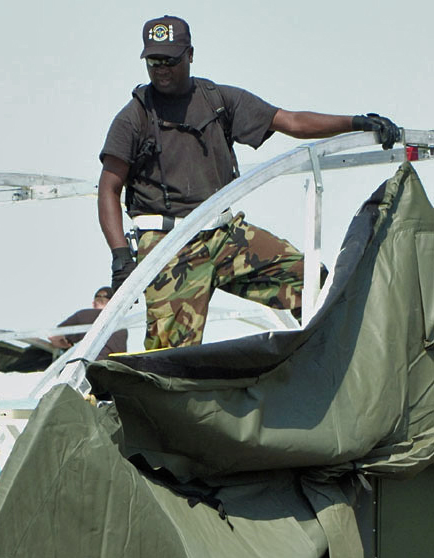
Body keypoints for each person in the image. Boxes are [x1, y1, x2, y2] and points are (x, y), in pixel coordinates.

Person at [98, 15, 400, 350]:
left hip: (224, 234)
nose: (162, 69)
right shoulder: (133, 118)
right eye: (154, 61)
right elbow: (108, 189)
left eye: (171, 60)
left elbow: (292, 121)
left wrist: (356, 123)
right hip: (169, 246)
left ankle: (339, 360)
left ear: (191, 55)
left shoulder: (218, 101)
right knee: (170, 356)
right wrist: (121, 257)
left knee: (311, 281)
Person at [49, 287, 129, 361]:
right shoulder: (122, 324)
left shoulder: (83, 315)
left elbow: (53, 336)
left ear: (94, 303)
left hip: (88, 366)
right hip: (112, 369)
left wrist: (66, 344)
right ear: (113, 304)